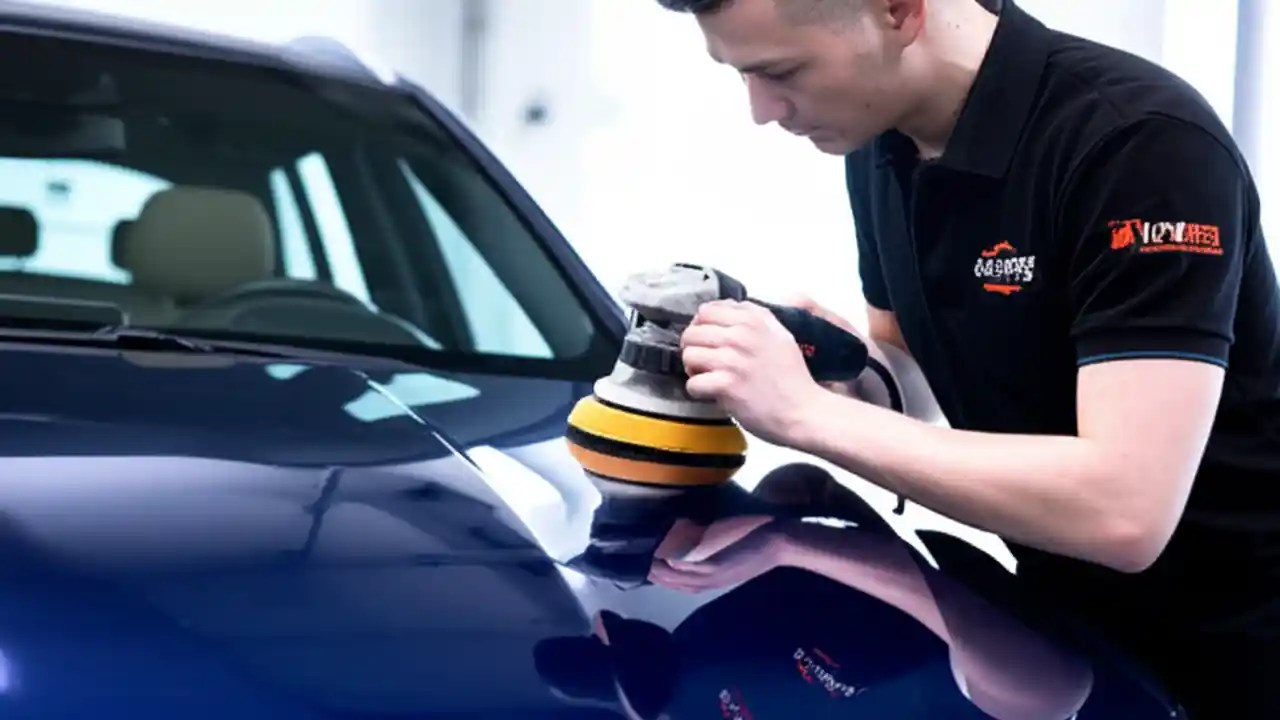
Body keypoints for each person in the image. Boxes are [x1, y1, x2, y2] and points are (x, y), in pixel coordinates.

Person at [651, 0, 1280, 716]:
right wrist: (838, 372)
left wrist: (807, 414)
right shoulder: (879, 141)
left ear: (898, 10)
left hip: (1241, 657)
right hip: (1060, 631)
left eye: (781, 71)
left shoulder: (1139, 146)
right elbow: (910, 385)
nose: (762, 110)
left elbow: (1124, 513)